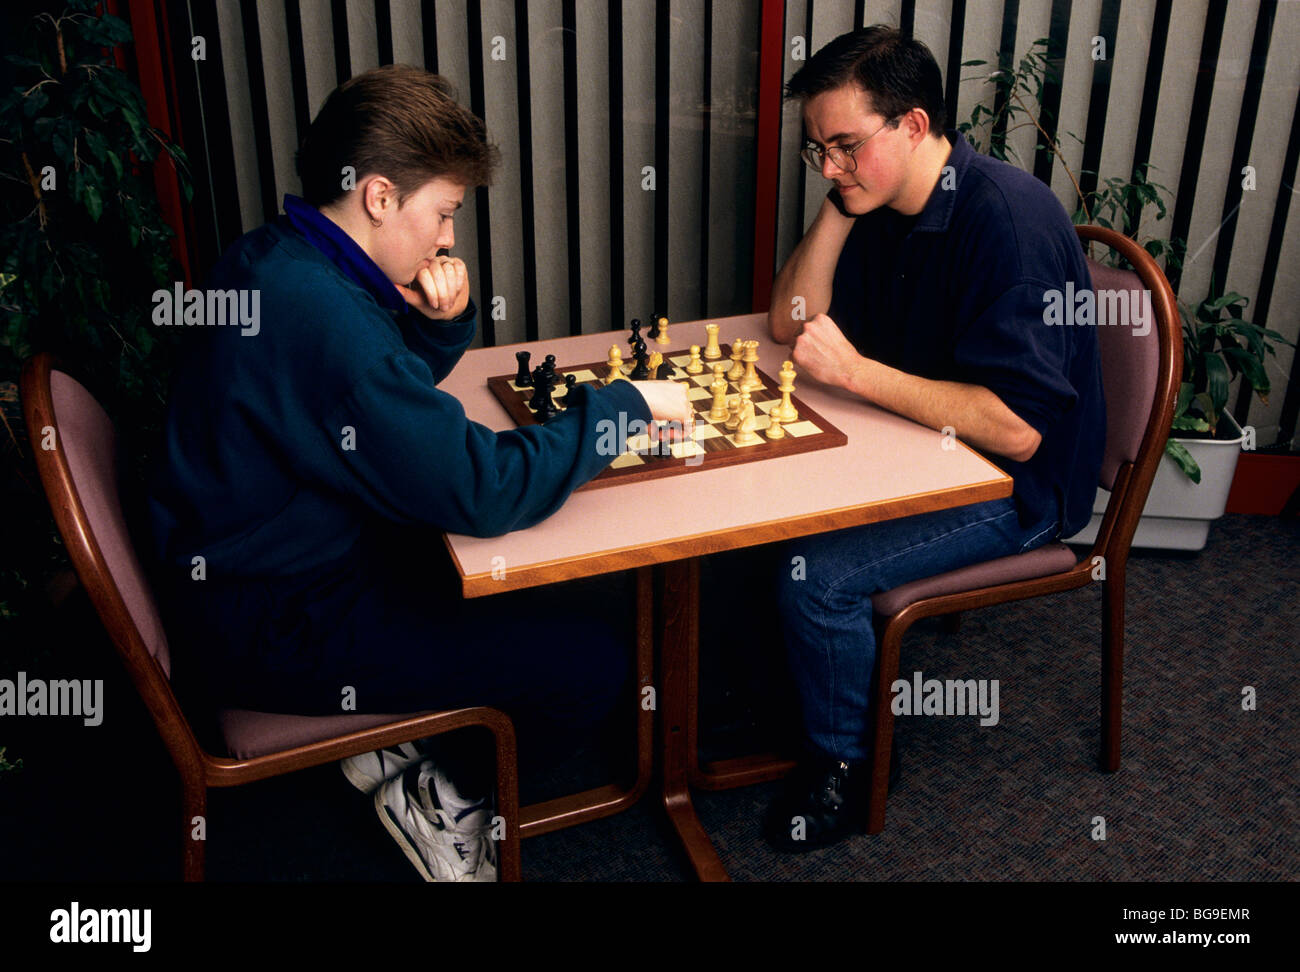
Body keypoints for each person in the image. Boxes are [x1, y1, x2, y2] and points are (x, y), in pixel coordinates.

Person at [145, 65, 692, 881]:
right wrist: (624, 409)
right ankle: (440, 802)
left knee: (519, 590)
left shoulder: (276, 255)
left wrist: (440, 328)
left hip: (250, 574)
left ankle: (396, 727)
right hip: (275, 620)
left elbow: (359, 410)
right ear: (376, 196)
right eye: (442, 213)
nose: (446, 239)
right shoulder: (322, 314)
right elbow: (486, 490)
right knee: (591, 663)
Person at [764, 27, 1105, 852]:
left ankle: (850, 765)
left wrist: (855, 376)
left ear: (914, 126)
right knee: (762, 515)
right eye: (819, 151)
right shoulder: (880, 198)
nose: (832, 165)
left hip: (1016, 489)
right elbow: (790, 322)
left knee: (818, 581)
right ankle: (801, 687)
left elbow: (1019, 432)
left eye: (845, 145)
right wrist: (840, 195)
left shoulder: (1006, 222)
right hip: (920, 451)